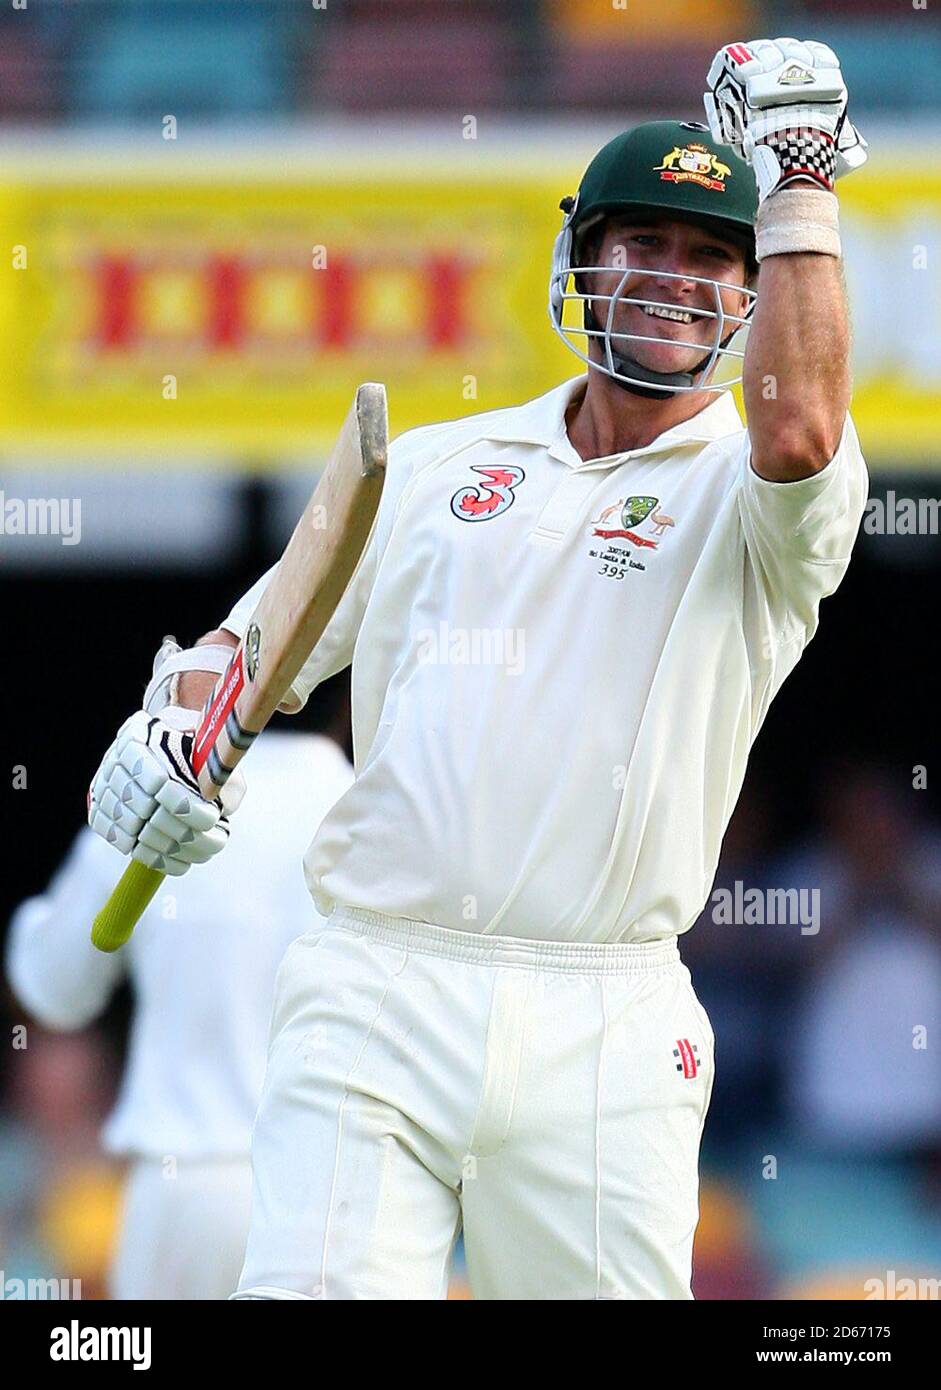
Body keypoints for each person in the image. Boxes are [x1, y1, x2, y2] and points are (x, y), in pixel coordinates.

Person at [86, 37, 870, 1299]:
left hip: (604, 1013)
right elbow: (253, 647)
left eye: (711, 259)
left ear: (748, 295)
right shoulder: (435, 465)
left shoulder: (761, 501)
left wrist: (799, 177)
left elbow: (797, 426)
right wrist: (164, 730)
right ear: (582, 261)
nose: (674, 280)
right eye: (646, 245)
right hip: (374, 984)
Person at [8, 651, 352, 1299]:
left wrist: (34, 919)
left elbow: (53, 988)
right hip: (327, 1200)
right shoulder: (360, 810)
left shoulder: (153, 796)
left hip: (179, 1197)